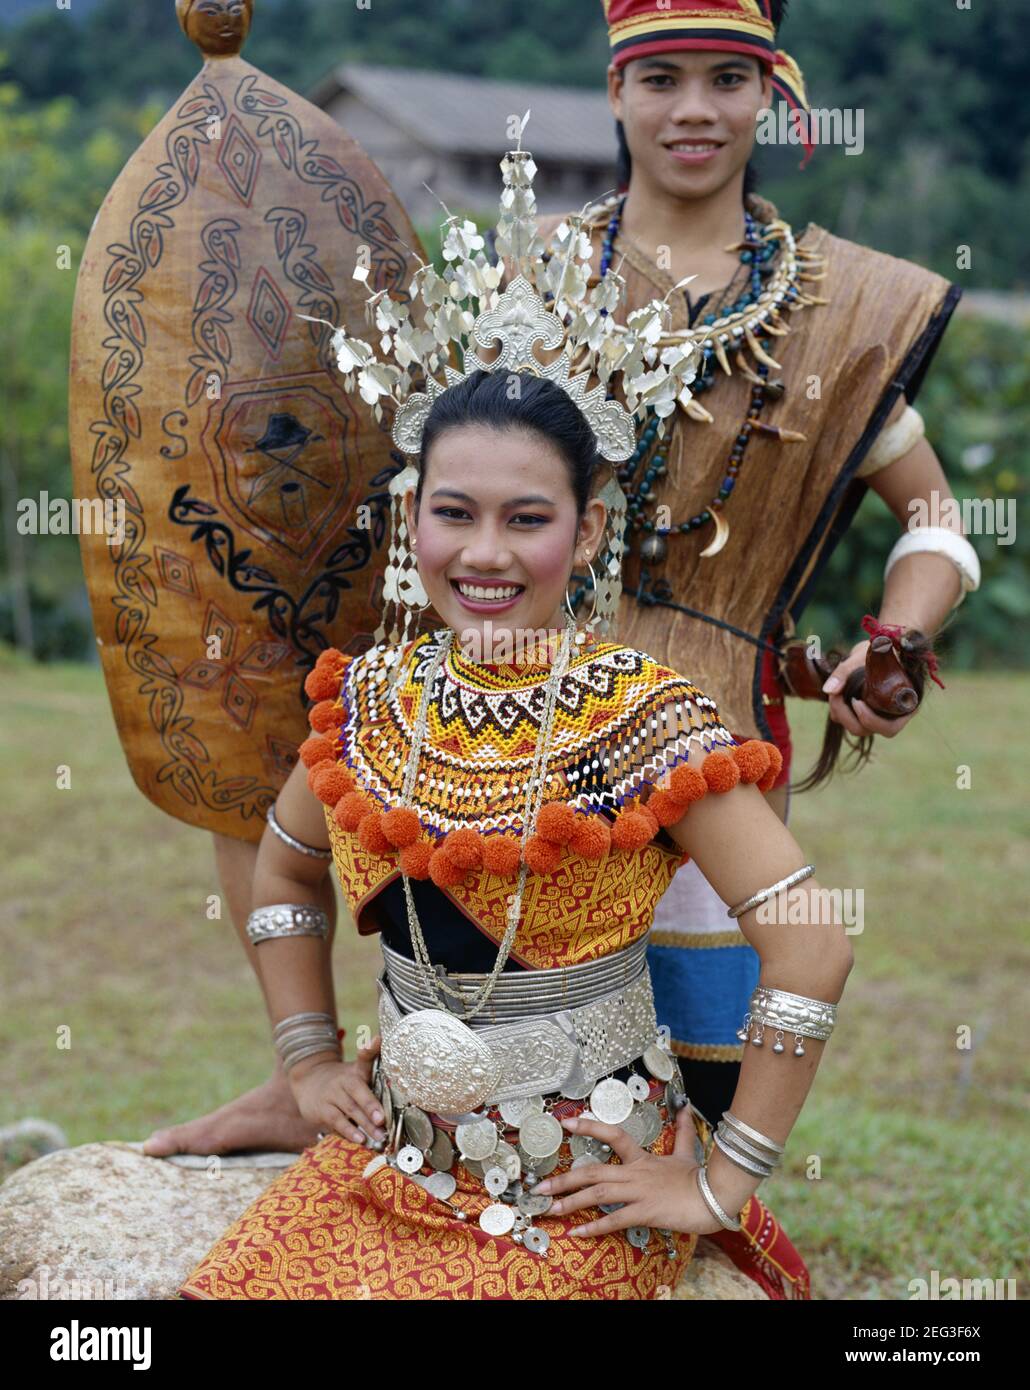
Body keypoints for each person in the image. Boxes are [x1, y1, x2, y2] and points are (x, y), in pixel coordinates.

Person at [177, 156, 848, 1298]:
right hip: (387, 1155)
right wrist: (305, 1056)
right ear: (413, 518)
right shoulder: (374, 701)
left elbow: (813, 940)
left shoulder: (646, 718)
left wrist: (721, 1179)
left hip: (578, 1182)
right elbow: (288, 863)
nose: (483, 554)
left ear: (585, 535)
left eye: (525, 519)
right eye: (455, 513)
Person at [505, 0, 980, 1126]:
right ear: (616, 90)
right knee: (509, 1078)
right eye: (661, 78)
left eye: (727, 78)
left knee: (699, 1078)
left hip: (719, 734)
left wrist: (895, 637)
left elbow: (936, 520)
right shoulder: (531, 285)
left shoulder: (841, 310)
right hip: (521, 723)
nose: (694, 109)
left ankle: (710, 1207)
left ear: (772, 93)